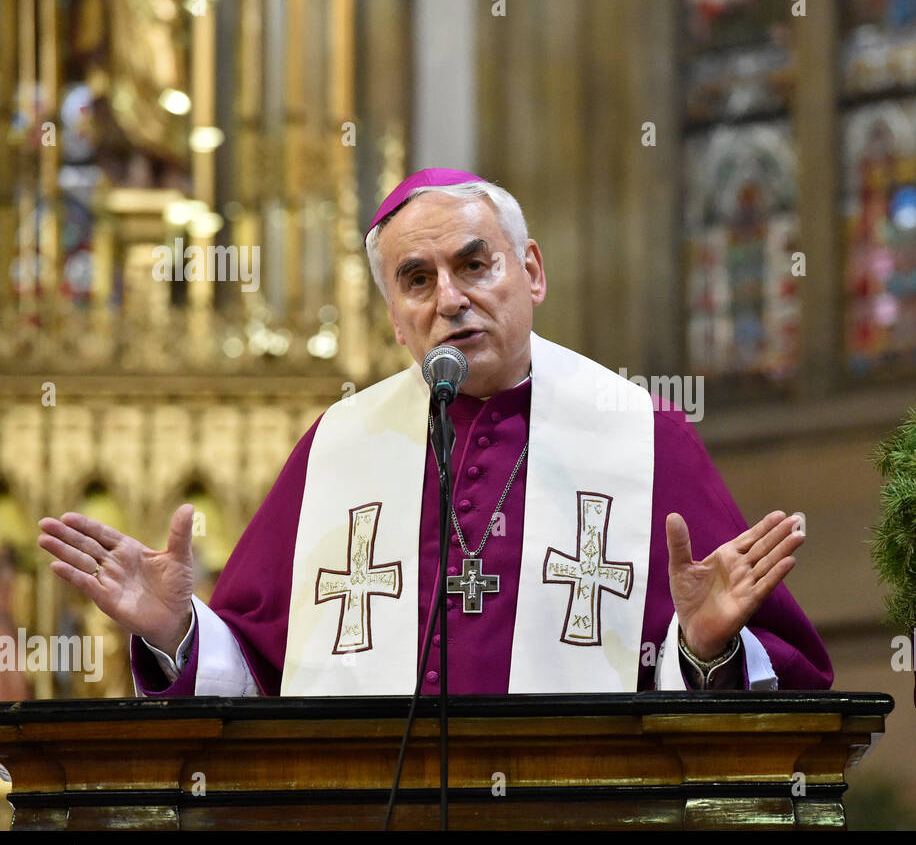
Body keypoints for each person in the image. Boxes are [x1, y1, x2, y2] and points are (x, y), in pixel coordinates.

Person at [37, 168, 833, 696]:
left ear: (533, 272)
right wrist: (177, 630)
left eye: (474, 265)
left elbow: (776, 688)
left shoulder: (642, 434)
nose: (449, 299)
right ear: (394, 321)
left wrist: (702, 650)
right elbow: (258, 674)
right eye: (418, 281)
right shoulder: (337, 447)